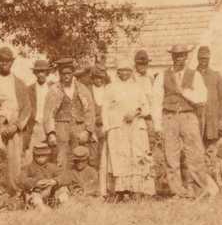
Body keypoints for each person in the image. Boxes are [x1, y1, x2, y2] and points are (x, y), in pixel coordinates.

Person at [161, 44, 217, 199]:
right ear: (172, 57)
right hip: (169, 117)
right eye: (176, 55)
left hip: (188, 116)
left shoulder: (195, 75)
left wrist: (183, 91)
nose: (179, 58)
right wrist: (158, 123)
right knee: (171, 155)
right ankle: (178, 192)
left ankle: (201, 190)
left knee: (195, 153)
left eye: (182, 55)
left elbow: (202, 98)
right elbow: (156, 99)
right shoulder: (163, 75)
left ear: (186, 57)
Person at [99, 60, 155, 199]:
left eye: (127, 70)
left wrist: (135, 114)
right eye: (121, 70)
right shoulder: (110, 88)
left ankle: (136, 190)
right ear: (117, 72)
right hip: (117, 128)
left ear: (131, 71)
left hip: (135, 127)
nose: (124, 73)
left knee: (136, 157)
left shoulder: (138, 87)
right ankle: (120, 191)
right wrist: (106, 127)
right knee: (119, 158)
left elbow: (147, 108)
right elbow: (105, 108)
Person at [0, 46, 37, 194]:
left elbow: (27, 108)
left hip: (14, 127)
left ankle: (14, 191)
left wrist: (17, 126)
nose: (4, 64)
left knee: (14, 160)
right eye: (1, 61)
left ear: (12, 62)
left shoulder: (19, 83)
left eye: (7, 61)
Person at [43, 58, 94, 168]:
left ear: (73, 73)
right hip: (61, 127)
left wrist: (88, 131)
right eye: (63, 73)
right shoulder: (54, 90)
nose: (66, 76)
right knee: (61, 157)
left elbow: (89, 111)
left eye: (69, 73)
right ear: (59, 74)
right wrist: (51, 133)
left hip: (79, 126)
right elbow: (48, 113)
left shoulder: (82, 88)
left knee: (79, 155)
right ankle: (62, 183)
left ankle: (77, 182)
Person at [132, 49, 166, 193]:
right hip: (136, 118)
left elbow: (156, 100)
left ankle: (154, 185)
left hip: (150, 119)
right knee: (137, 150)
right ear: (135, 64)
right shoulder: (131, 79)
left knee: (152, 150)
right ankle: (138, 186)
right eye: (140, 63)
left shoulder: (152, 79)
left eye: (145, 63)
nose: (142, 66)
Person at [195, 45, 222, 165]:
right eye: (201, 58)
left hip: (212, 118)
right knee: (196, 145)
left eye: (206, 58)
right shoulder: (192, 75)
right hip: (196, 117)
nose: (203, 61)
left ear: (209, 59)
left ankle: (211, 169)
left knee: (211, 146)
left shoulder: (216, 75)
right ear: (197, 58)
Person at [19, 138, 76, 209]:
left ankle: (60, 204)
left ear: (48, 156)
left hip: (51, 195)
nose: (40, 158)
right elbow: (21, 180)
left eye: (43, 155)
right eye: (38, 156)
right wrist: (35, 183)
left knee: (63, 190)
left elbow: (66, 177)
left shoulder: (52, 167)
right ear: (34, 156)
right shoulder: (27, 168)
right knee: (36, 200)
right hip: (36, 194)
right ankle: (42, 208)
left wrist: (55, 181)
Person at [28, 58, 55, 162]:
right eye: (38, 71)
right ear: (35, 73)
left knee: (49, 157)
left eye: (43, 71)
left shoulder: (53, 89)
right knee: (33, 156)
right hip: (35, 126)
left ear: (47, 73)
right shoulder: (29, 89)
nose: (41, 74)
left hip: (50, 127)